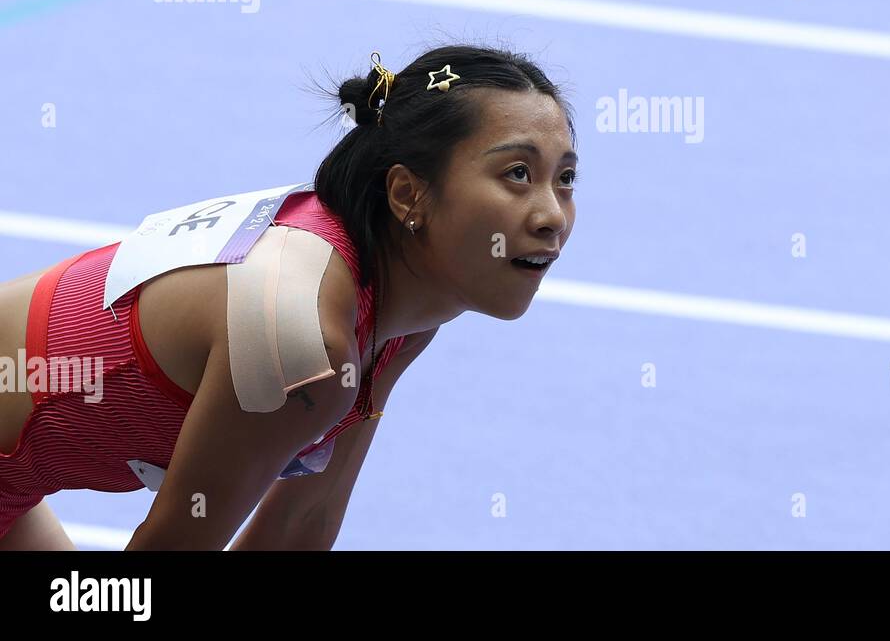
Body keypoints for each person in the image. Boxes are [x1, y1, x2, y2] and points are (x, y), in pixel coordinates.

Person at [0, 43, 578, 549]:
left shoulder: (398, 307)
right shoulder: (303, 338)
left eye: (566, 178)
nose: (554, 215)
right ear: (408, 194)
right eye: (518, 174)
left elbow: (303, 522)